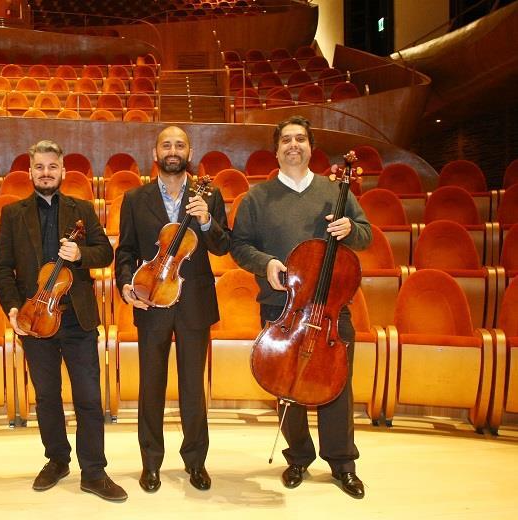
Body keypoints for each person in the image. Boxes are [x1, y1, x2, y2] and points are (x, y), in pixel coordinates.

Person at [230, 115, 372, 499]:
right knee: (286, 383)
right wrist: (267, 264)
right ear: (276, 150)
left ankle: (342, 463)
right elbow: (239, 245)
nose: (294, 145)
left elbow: (365, 234)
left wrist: (349, 230)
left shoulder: (334, 190)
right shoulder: (257, 198)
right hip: (282, 306)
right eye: (287, 140)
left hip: (331, 307)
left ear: (311, 148)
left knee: (337, 384)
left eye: (301, 139)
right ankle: (298, 457)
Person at [0, 139, 127, 502]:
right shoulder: (13, 214)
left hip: (77, 321)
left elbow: (106, 253)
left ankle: (94, 471)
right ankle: (57, 459)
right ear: (30, 171)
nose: (46, 173)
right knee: (47, 396)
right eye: (40, 167)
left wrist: (80, 254)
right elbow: (2, 269)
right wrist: (14, 308)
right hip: (35, 320)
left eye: (53, 167)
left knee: (88, 397)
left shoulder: (81, 208)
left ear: (63, 171)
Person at [115, 125, 231, 493]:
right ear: (155, 151)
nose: (173, 150)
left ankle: (195, 462)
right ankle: (151, 463)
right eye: (166, 144)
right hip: (152, 302)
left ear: (189, 152)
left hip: (194, 303)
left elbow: (222, 246)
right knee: (151, 385)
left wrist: (206, 221)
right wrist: (127, 284)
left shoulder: (208, 196)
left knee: (193, 387)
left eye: (180, 145)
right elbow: (126, 253)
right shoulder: (135, 198)